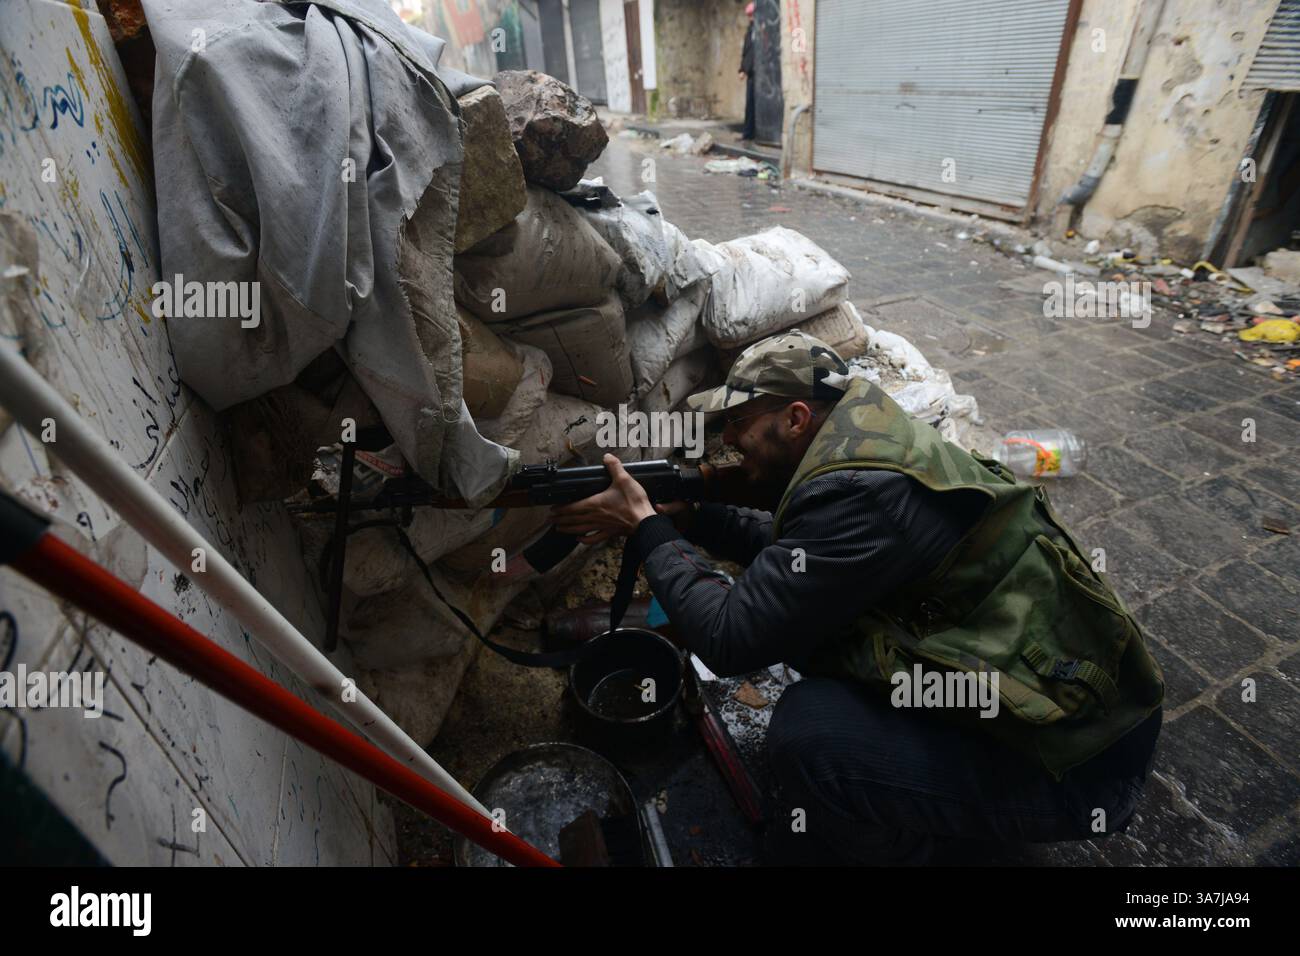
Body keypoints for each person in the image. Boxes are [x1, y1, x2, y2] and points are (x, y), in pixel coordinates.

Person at [550, 329, 1164, 865]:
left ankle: (895, 851)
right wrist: (694, 520)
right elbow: (805, 555)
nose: (729, 440)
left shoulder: (855, 489)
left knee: (809, 732)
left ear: (794, 417)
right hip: (1054, 703)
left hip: (1078, 771)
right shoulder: (864, 441)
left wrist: (647, 528)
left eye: (739, 423)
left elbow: (730, 637)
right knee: (822, 650)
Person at [740, 2, 756, 142]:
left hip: (760, 73)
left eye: (752, 15)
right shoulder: (750, 31)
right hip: (751, 73)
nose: (751, 18)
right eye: (749, 16)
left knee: (756, 104)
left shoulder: (761, 30)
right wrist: (742, 69)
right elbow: (746, 52)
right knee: (750, 103)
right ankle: (748, 133)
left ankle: (753, 133)